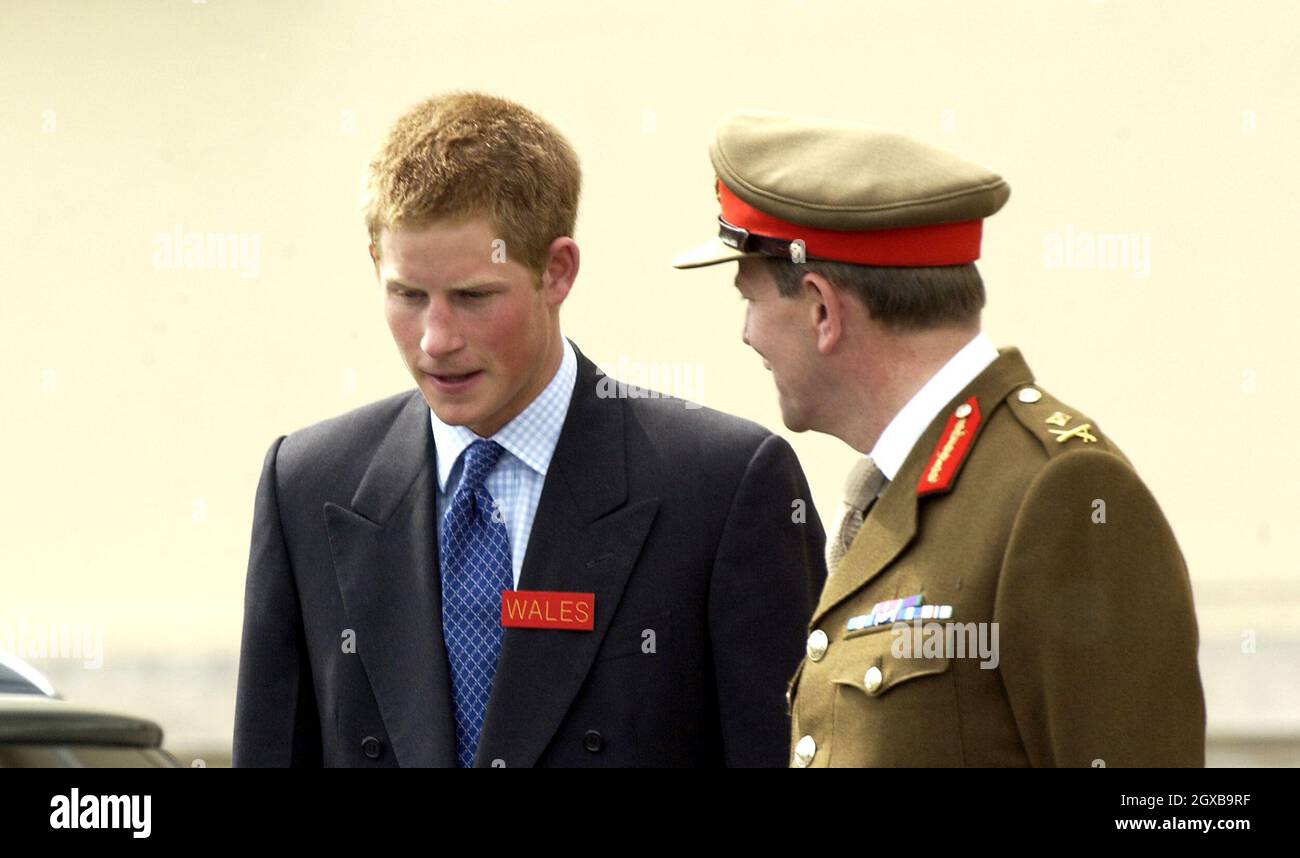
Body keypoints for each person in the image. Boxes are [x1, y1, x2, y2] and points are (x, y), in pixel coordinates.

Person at [233, 94, 826, 767]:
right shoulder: (307, 485)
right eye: (407, 294)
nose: (436, 340)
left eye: (474, 297)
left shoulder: (721, 489)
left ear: (558, 271)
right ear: (375, 264)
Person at [673, 110, 1205, 767]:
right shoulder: (905, 488)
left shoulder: (1058, 491)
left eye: (748, 300)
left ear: (820, 309)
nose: (746, 335)